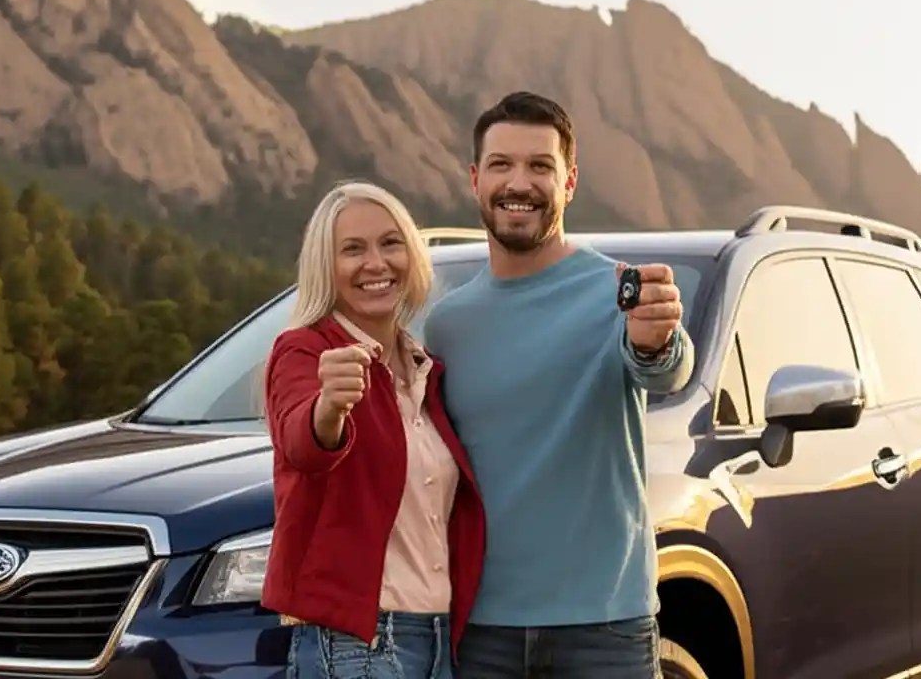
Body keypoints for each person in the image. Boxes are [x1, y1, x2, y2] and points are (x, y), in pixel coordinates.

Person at [422, 91, 693, 678]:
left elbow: (663, 365)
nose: (519, 181)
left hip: (604, 629)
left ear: (568, 182)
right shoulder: (447, 324)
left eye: (540, 166)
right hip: (477, 630)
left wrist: (656, 339)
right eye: (502, 164)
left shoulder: (619, 292)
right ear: (475, 179)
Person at [260, 180, 487, 679]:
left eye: (390, 243)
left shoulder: (425, 370)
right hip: (357, 646)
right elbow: (302, 442)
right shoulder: (305, 351)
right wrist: (329, 408)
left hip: (441, 642)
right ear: (326, 266)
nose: (376, 263)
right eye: (352, 250)